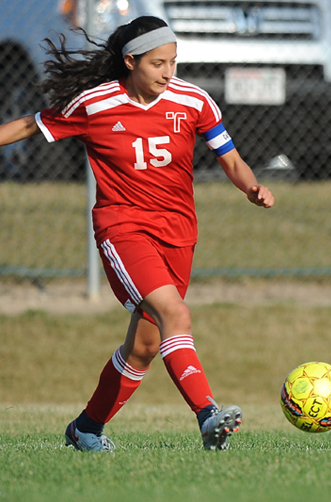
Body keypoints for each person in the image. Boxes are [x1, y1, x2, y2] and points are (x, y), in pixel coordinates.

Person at [0, 16, 274, 450]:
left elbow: (232, 159)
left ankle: (86, 429)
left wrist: (252, 187)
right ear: (130, 61)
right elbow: (31, 125)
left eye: (173, 62)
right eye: (158, 63)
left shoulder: (193, 101)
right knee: (176, 315)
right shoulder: (96, 103)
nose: (169, 72)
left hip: (179, 233)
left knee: (145, 346)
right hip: (123, 228)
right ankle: (208, 416)